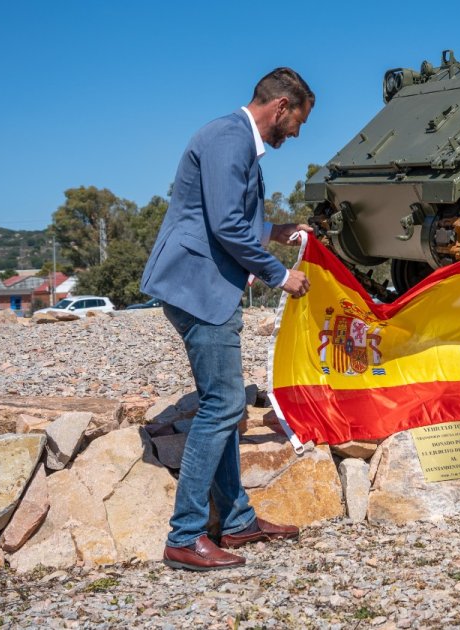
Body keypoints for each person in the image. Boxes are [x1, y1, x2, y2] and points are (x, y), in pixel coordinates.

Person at [141, 67, 315, 570]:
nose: (297, 133)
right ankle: (185, 536)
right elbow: (225, 224)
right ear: (280, 107)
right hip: (198, 289)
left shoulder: (234, 139)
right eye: (298, 121)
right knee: (222, 406)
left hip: (203, 287)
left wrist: (275, 228)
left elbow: (231, 216)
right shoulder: (228, 138)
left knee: (223, 404)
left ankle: (236, 521)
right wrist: (281, 276)